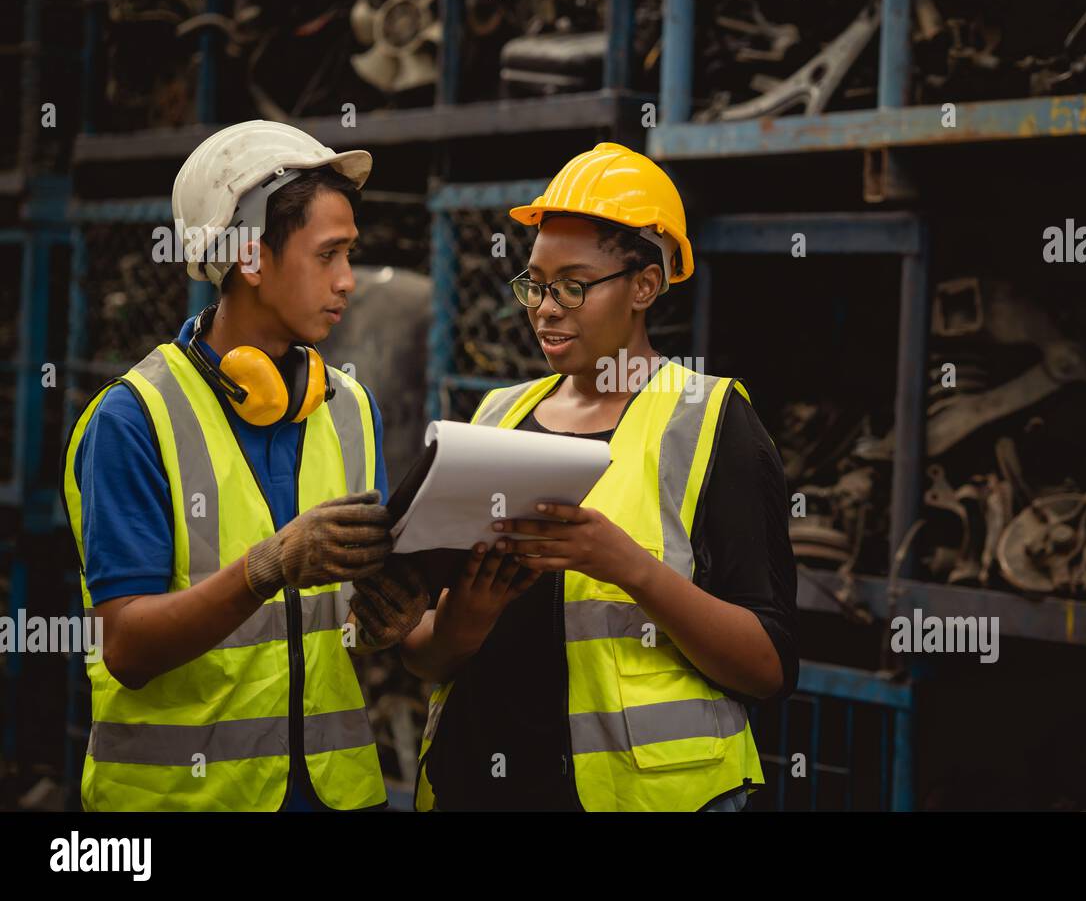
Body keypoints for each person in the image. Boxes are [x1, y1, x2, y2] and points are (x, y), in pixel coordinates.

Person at [397, 142, 799, 811]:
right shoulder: (497, 417)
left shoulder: (710, 423)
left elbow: (768, 667)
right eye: (535, 284)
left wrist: (628, 566)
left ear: (644, 285)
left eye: (573, 284)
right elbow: (426, 657)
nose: (546, 307)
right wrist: (462, 624)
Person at [61, 120, 420, 811]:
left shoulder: (347, 409)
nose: (349, 281)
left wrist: (390, 621)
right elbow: (128, 649)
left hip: (336, 797)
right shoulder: (133, 421)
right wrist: (267, 568)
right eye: (329, 255)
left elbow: (332, 634)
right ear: (250, 258)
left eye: (351, 255)